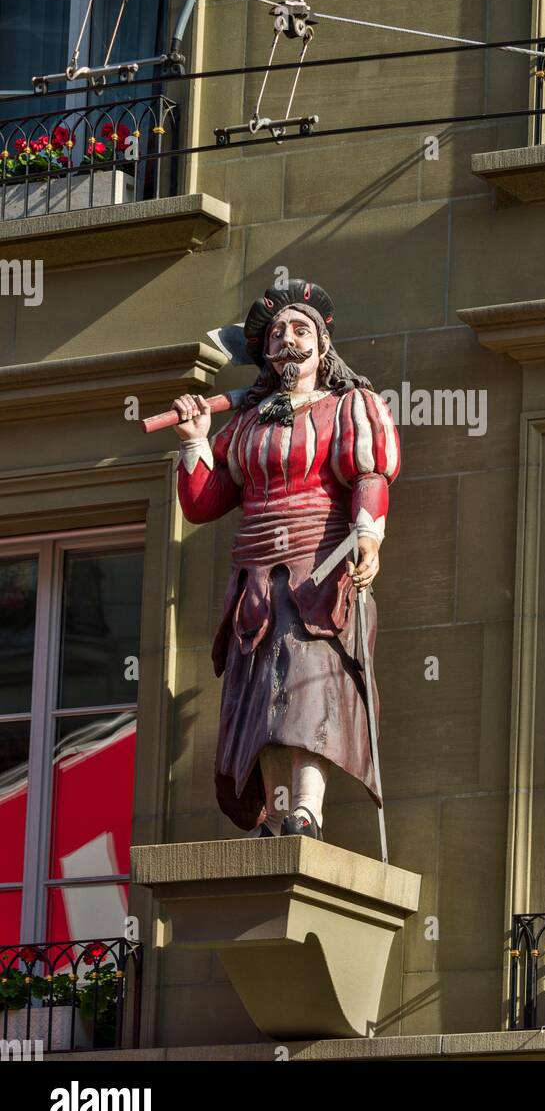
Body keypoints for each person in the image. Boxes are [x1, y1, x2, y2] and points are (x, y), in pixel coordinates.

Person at [171, 280, 400, 840]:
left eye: (300, 329)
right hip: (253, 578)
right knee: (260, 703)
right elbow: (204, 503)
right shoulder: (245, 423)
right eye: (277, 332)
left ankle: (307, 811)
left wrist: (368, 537)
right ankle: (276, 816)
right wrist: (195, 440)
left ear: (323, 346)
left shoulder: (349, 406)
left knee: (307, 685)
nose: (287, 338)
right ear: (266, 354)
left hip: (316, 571)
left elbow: (368, 475)